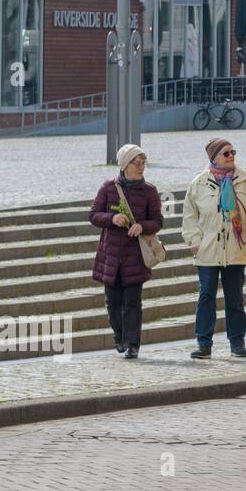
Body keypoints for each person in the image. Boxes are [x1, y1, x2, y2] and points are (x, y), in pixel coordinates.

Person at [182, 138, 246, 359]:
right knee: (206, 297)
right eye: (226, 153)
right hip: (207, 251)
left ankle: (237, 343)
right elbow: (189, 216)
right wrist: (194, 242)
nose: (231, 156)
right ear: (213, 157)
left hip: (236, 249)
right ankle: (203, 344)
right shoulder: (198, 183)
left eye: (233, 151)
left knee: (235, 298)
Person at [88, 144, 163, 360]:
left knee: (132, 302)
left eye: (143, 163)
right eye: (135, 163)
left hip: (135, 256)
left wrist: (142, 226)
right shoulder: (108, 188)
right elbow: (93, 215)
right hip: (111, 256)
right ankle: (119, 336)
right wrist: (111, 218)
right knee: (112, 302)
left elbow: (157, 221)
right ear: (124, 165)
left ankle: (132, 344)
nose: (140, 167)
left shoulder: (149, 190)